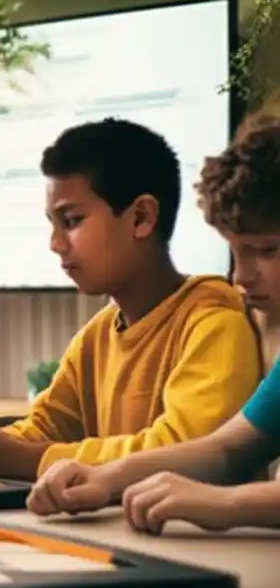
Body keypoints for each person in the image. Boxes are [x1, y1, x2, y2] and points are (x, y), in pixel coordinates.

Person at [0, 118, 262, 481]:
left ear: (141, 217)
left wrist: (25, 458)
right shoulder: (98, 334)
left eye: (72, 221)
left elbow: (183, 452)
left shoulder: (215, 325)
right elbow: (45, 427)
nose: (55, 244)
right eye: (52, 224)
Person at [27, 117, 280, 533]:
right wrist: (106, 477)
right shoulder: (97, 333)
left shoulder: (213, 319)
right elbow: (229, 449)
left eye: (267, 251)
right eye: (236, 252)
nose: (241, 277)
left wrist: (225, 503)